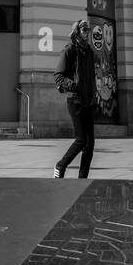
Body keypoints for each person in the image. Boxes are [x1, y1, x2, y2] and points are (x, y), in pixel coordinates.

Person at [53, 19, 97, 179]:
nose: (87, 32)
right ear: (77, 31)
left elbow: (91, 77)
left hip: (89, 101)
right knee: (81, 140)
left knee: (90, 144)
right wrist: (73, 86)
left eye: (88, 30)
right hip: (75, 100)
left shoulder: (90, 52)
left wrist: (94, 94)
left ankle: (82, 179)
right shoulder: (69, 50)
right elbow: (58, 75)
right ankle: (60, 165)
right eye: (84, 29)